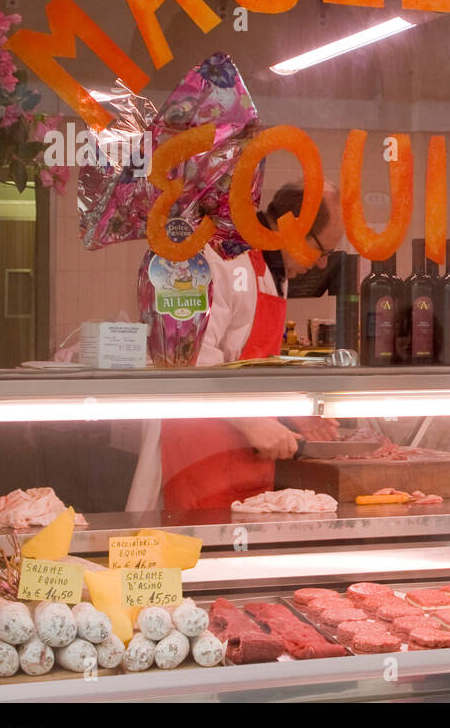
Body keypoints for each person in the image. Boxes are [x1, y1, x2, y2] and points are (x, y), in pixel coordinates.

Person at [126, 181, 343, 511]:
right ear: (293, 227)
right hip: (196, 452)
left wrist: (290, 413)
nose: (322, 264)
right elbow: (188, 362)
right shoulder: (216, 256)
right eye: (322, 250)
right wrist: (252, 421)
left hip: (244, 460)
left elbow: (246, 365)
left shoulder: (273, 271)